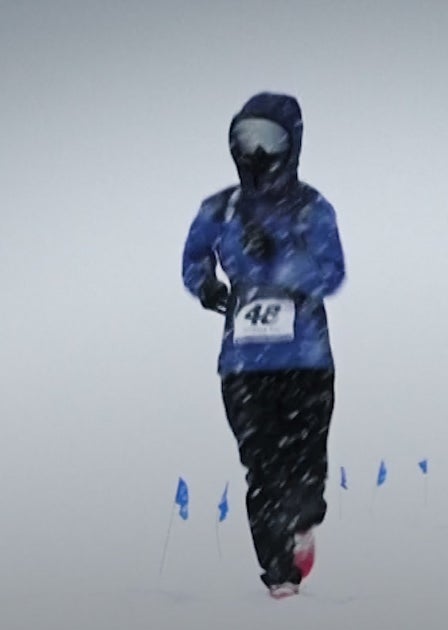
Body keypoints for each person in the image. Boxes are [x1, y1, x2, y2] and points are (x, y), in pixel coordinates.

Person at [180, 92, 346, 599]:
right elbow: (192, 256)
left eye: (268, 140)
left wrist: (279, 264)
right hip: (243, 364)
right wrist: (204, 282)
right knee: (261, 467)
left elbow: (332, 272)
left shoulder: (312, 206)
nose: (256, 153)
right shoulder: (219, 207)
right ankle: (279, 578)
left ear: (291, 144)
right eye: (246, 140)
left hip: (306, 360)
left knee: (303, 467)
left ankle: (302, 522)